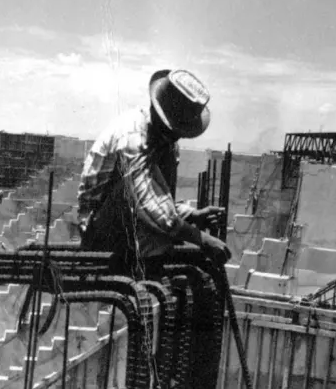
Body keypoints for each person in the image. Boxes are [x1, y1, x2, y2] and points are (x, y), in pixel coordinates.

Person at [78, 69, 232, 273]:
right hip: (100, 233)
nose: (177, 137)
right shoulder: (132, 138)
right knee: (161, 230)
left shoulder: (164, 141)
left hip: (131, 223)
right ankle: (150, 274)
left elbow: (159, 197)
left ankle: (154, 269)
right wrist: (200, 238)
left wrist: (192, 215)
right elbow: (147, 203)